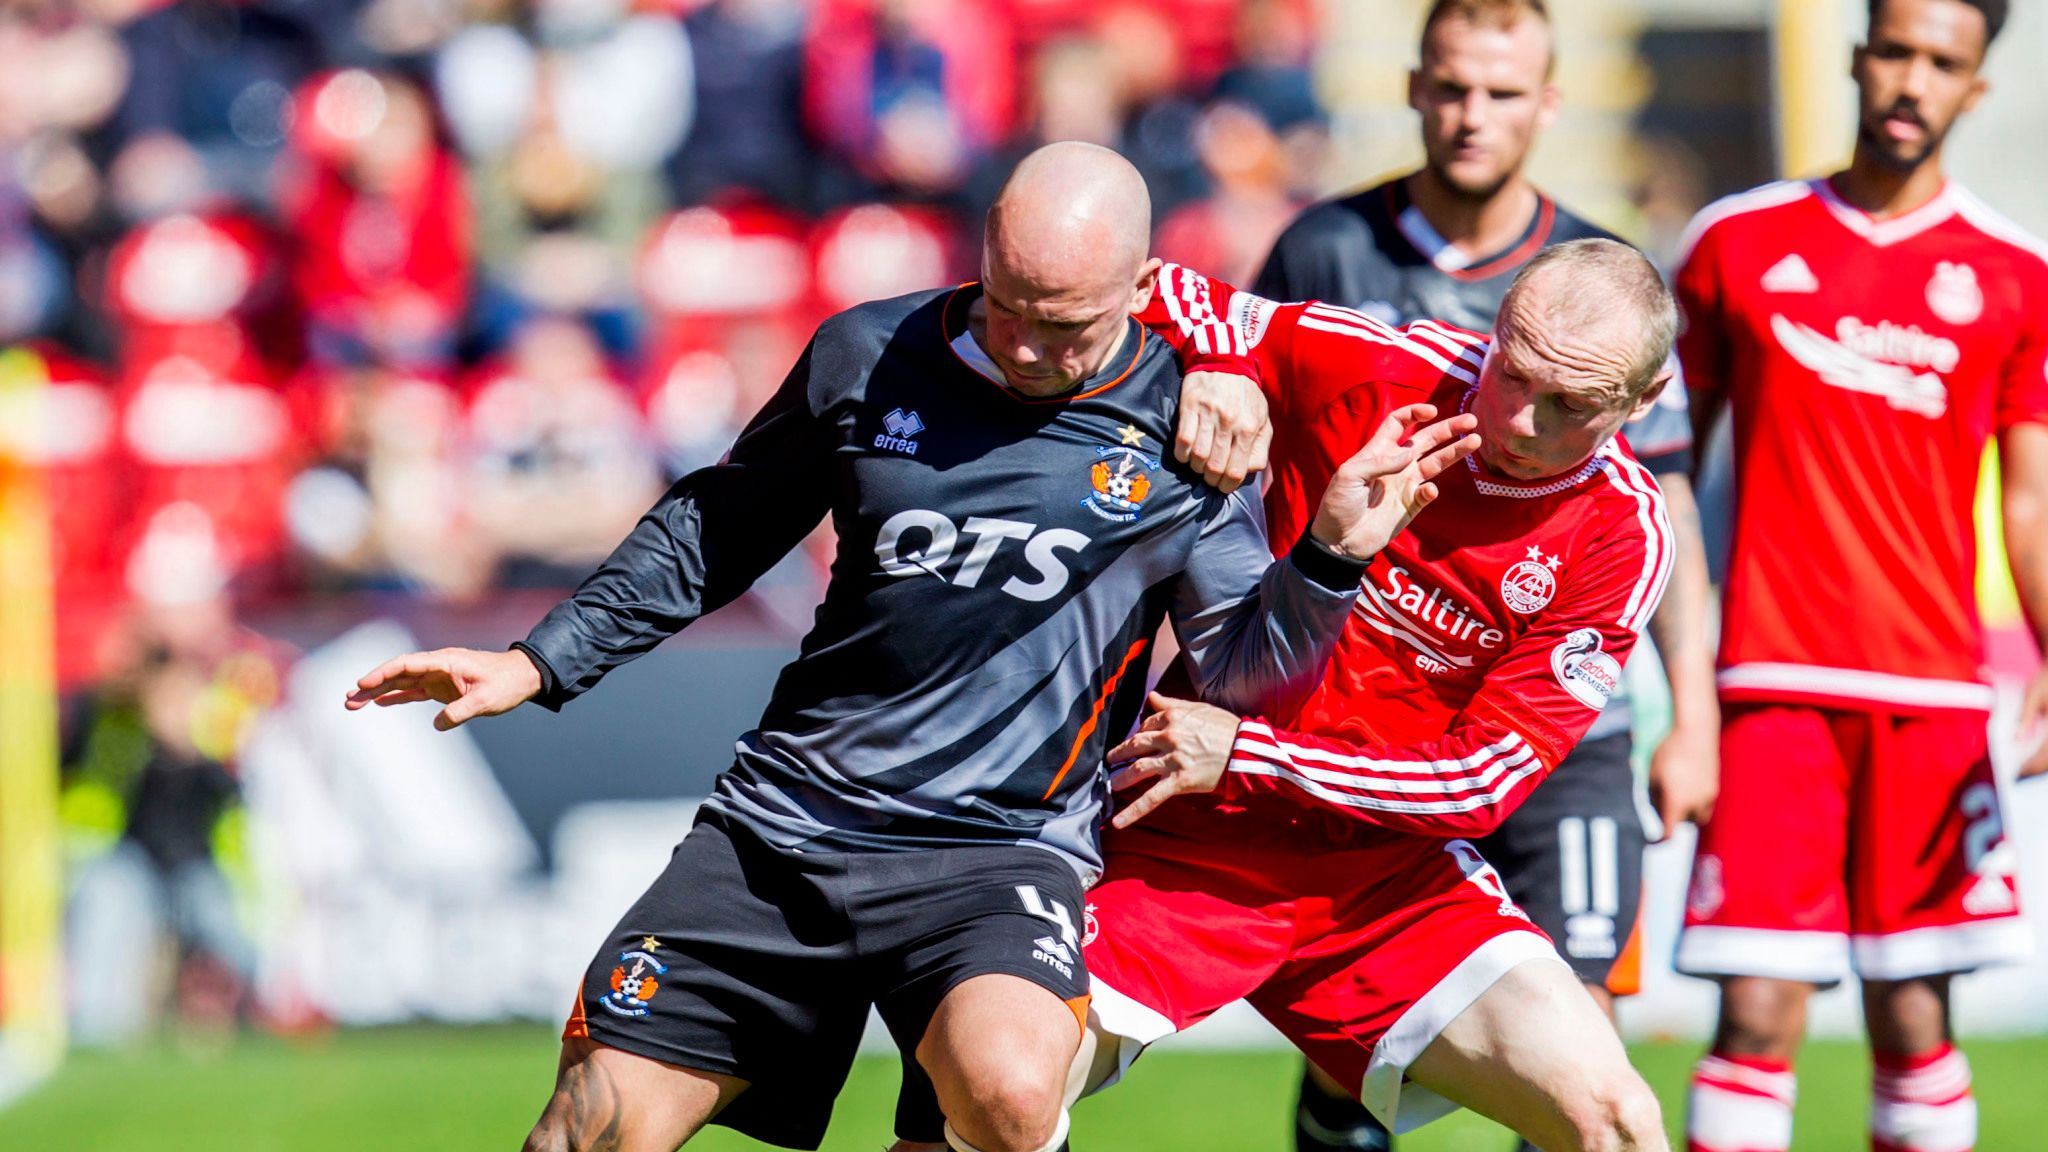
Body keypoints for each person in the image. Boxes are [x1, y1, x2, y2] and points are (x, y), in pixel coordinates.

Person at [344, 142, 1478, 1152]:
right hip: (787, 824)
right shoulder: (865, 353)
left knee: (1013, 1096)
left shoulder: (1195, 424)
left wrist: (1326, 560)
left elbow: (1240, 669)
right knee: (587, 1131)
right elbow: (720, 523)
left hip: (999, 852)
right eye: (1005, 303)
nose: (1025, 346)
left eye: (1063, 321)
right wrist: (539, 661)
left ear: (1144, 290)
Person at [1053, 245, 1676, 1152]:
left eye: (1569, 404)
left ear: (1643, 400)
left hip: (1380, 884)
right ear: (1496, 326)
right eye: (1512, 370)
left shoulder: (1623, 532)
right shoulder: (1383, 364)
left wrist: (1251, 753)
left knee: (1617, 1123)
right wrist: (1225, 369)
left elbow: (1484, 782)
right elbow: (1159, 286)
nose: (1517, 418)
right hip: (1192, 839)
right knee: (995, 1095)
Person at [1252, 3, 1718, 1148]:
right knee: (1357, 1046)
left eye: (1502, 92)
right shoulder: (1323, 248)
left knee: (1578, 1046)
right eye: (1453, 87)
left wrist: (1693, 712)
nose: (1473, 115)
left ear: (1547, 103)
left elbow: (1661, 507)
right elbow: (1248, 448)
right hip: (1378, 722)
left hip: (1561, 729)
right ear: (1414, 87)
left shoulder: (1604, 277)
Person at [1670, 2, 2048, 1151]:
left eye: (1942, 63)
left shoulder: (2014, 274)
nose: (1910, 82)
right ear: (1854, 55)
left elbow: (2027, 498)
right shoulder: (1733, 240)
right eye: (1894, 51)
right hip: (1768, 682)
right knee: (1754, 1009)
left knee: (1915, 1012)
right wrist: (1684, 697)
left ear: (1973, 89)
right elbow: (1663, 474)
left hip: (1930, 698)